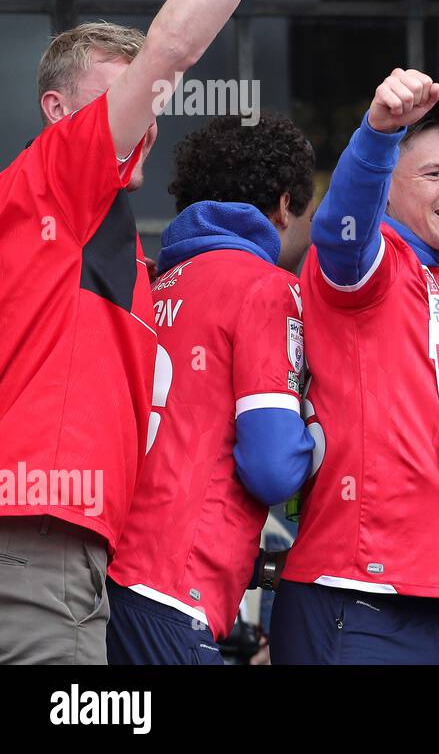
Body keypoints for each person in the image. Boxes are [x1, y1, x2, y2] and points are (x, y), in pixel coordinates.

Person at [0, 0, 336, 664]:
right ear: (57, 110)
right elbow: (175, 48)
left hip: (82, 554)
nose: (143, 116)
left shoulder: (119, 254)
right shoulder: (56, 184)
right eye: (122, 96)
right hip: (37, 544)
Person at [271, 73, 439, 665]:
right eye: (434, 174)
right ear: (386, 191)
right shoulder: (365, 270)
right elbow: (340, 226)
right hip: (353, 588)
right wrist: (377, 134)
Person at [104, 114, 317, 664]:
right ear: (285, 205)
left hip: (109, 583)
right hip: (177, 595)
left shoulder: (152, 284)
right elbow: (272, 467)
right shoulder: (268, 288)